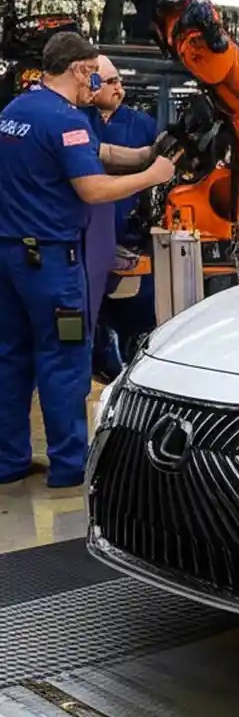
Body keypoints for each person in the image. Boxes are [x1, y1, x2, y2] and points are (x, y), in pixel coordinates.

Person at [0, 32, 175, 488]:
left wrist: (138, 156)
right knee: (63, 359)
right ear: (79, 69)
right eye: (94, 75)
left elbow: (72, 155)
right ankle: (69, 467)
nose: (95, 85)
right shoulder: (67, 119)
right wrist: (152, 175)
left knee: (11, 358)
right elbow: (92, 189)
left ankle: (9, 460)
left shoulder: (14, 112)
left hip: (8, 258)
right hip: (52, 264)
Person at [81, 55, 160, 381]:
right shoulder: (76, 121)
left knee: (138, 317)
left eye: (119, 81)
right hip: (85, 242)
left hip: (131, 240)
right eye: (110, 82)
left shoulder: (141, 124)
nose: (119, 88)